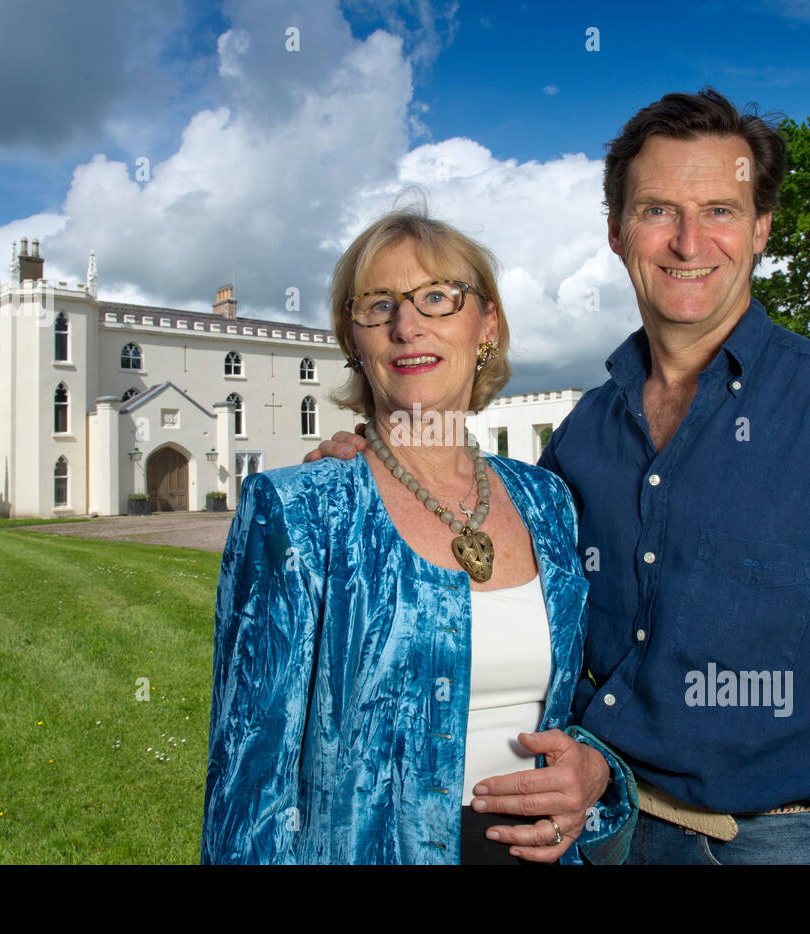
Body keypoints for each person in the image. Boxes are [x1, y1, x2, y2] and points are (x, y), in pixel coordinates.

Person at [308, 89, 810, 864]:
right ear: (616, 232)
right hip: (598, 834)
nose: (687, 241)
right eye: (655, 211)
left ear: (761, 226)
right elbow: (501, 586)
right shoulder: (581, 438)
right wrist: (374, 471)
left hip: (778, 837)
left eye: (719, 209)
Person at [201, 211, 635, 864]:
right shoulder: (299, 510)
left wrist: (596, 770)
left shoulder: (546, 502)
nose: (408, 326)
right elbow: (247, 785)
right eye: (379, 305)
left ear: (487, 325)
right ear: (354, 338)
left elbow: (582, 695)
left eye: (437, 297)